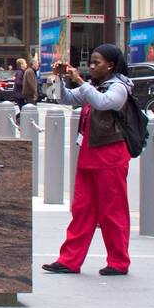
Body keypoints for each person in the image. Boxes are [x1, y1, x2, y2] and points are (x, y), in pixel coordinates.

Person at [42, 44, 134, 276]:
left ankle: (119, 261)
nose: (92, 66)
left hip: (111, 154)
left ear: (110, 65)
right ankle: (69, 260)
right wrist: (60, 78)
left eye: (97, 62)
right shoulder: (94, 85)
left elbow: (103, 103)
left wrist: (81, 82)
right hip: (89, 154)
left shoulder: (119, 87)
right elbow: (65, 99)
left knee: (113, 211)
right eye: (90, 62)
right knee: (81, 210)